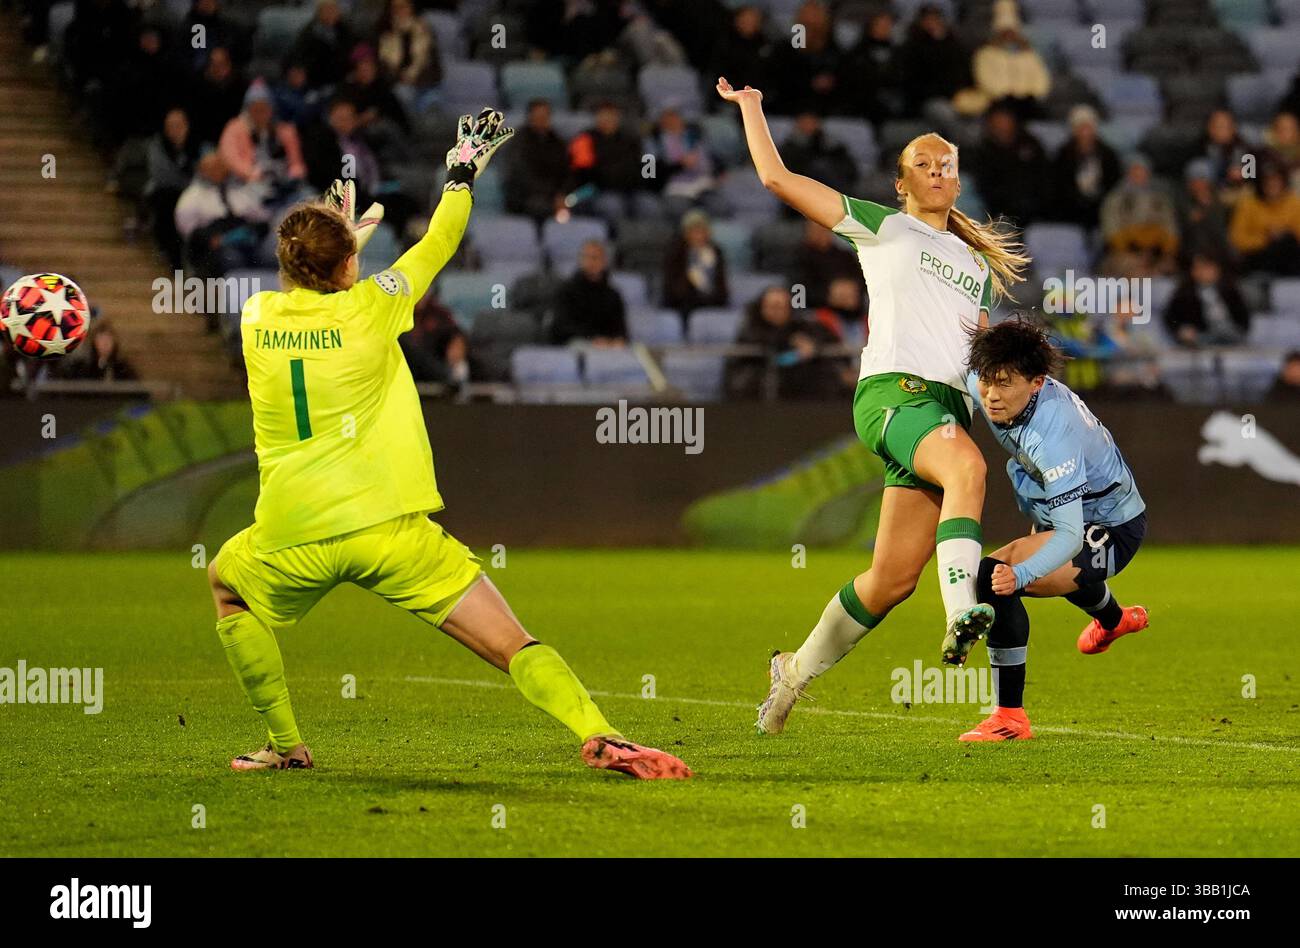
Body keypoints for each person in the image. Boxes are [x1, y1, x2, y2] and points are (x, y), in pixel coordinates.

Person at [207, 109, 689, 780]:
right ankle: (601, 732)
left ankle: (286, 745)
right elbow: (441, 236)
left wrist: (346, 239)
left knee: (227, 585)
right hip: (389, 528)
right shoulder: (376, 305)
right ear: (348, 264)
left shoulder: (257, 317)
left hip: (292, 531)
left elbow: (318, 282)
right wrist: (460, 171)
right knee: (511, 641)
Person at [715, 75, 1029, 734]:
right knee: (969, 472)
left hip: (943, 408)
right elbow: (775, 179)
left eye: (948, 164)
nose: (938, 171)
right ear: (902, 183)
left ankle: (791, 672)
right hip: (895, 395)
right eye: (924, 164)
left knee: (889, 581)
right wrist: (753, 108)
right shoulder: (884, 226)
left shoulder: (972, 264)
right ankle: (960, 611)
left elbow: (972, 356)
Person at [960, 317, 1148, 741]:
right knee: (1065, 573)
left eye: (1005, 383)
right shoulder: (985, 384)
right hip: (1060, 509)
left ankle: (1010, 717)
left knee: (996, 577)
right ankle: (1115, 621)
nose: (991, 395)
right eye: (987, 381)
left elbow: (1068, 535)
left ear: (1037, 382)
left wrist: (1021, 575)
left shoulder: (1054, 437)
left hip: (1111, 526)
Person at [724, 285, 843, 399]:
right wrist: (790, 340)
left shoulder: (799, 324)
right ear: (761, 308)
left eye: (782, 307)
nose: (777, 311)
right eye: (773, 307)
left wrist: (812, 343)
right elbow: (760, 340)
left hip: (799, 392)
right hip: (760, 390)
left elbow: (827, 336)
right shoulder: (751, 326)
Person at [551, 239, 627, 346]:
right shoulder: (566, 291)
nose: (591, 262)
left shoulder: (613, 295)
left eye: (596, 258)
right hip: (574, 343)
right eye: (587, 257)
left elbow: (621, 329)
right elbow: (562, 327)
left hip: (607, 346)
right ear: (580, 260)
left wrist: (617, 340)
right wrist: (593, 338)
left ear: (604, 261)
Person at [1163, 253, 1251, 346]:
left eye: (1207, 268)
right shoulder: (1184, 293)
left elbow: (1243, 318)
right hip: (1201, 338)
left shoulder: (1230, 290)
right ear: (1193, 271)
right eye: (1199, 268)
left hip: (1230, 336)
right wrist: (1181, 330)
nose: (1204, 272)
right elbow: (1171, 318)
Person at [1229, 163, 1300, 276]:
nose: (1272, 184)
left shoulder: (1295, 203)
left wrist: (1284, 232)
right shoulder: (1247, 204)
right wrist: (1266, 237)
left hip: (1290, 258)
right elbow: (1237, 239)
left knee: (1287, 241)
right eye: (1267, 180)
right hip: (1259, 257)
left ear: (1283, 182)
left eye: (1276, 180)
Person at [662, 209, 728, 317]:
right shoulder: (675, 252)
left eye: (703, 231)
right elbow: (672, 289)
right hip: (681, 304)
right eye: (695, 231)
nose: (699, 236)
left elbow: (721, 285)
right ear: (686, 233)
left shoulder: (716, 252)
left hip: (712, 302)